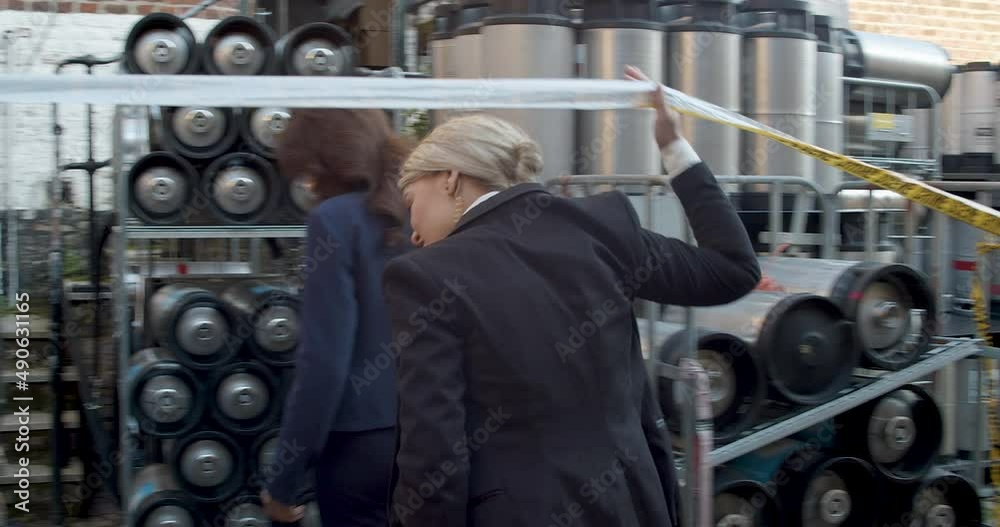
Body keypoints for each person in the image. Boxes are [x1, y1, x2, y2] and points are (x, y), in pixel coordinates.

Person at [379, 65, 761, 527]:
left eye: (411, 202)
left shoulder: (423, 277)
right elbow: (733, 271)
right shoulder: (603, 225)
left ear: (451, 179)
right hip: (634, 505)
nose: (413, 231)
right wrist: (673, 148)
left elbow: (432, 455)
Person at [260, 108, 412, 526]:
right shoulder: (421, 208)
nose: (308, 186)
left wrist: (283, 480)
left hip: (360, 451)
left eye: (308, 173)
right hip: (435, 438)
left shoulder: (335, 220)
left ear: (327, 161)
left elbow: (324, 364)